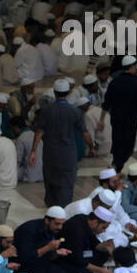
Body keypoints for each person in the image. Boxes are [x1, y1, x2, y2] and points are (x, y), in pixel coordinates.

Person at [31, 79, 93, 207]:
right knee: (66, 185)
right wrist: (92, 146)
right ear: (68, 92)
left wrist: (33, 151)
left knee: (50, 183)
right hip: (68, 155)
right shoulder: (75, 111)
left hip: (50, 154)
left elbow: (39, 132)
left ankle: (51, 211)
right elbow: (85, 133)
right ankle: (63, 213)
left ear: (54, 92)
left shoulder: (46, 111)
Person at [12, 207, 74, 273]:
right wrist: (48, 248)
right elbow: (26, 257)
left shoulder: (52, 230)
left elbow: (48, 255)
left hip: (40, 264)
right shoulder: (30, 229)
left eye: (62, 224)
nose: (60, 227)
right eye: (57, 224)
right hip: (21, 265)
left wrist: (56, 252)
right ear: (47, 220)